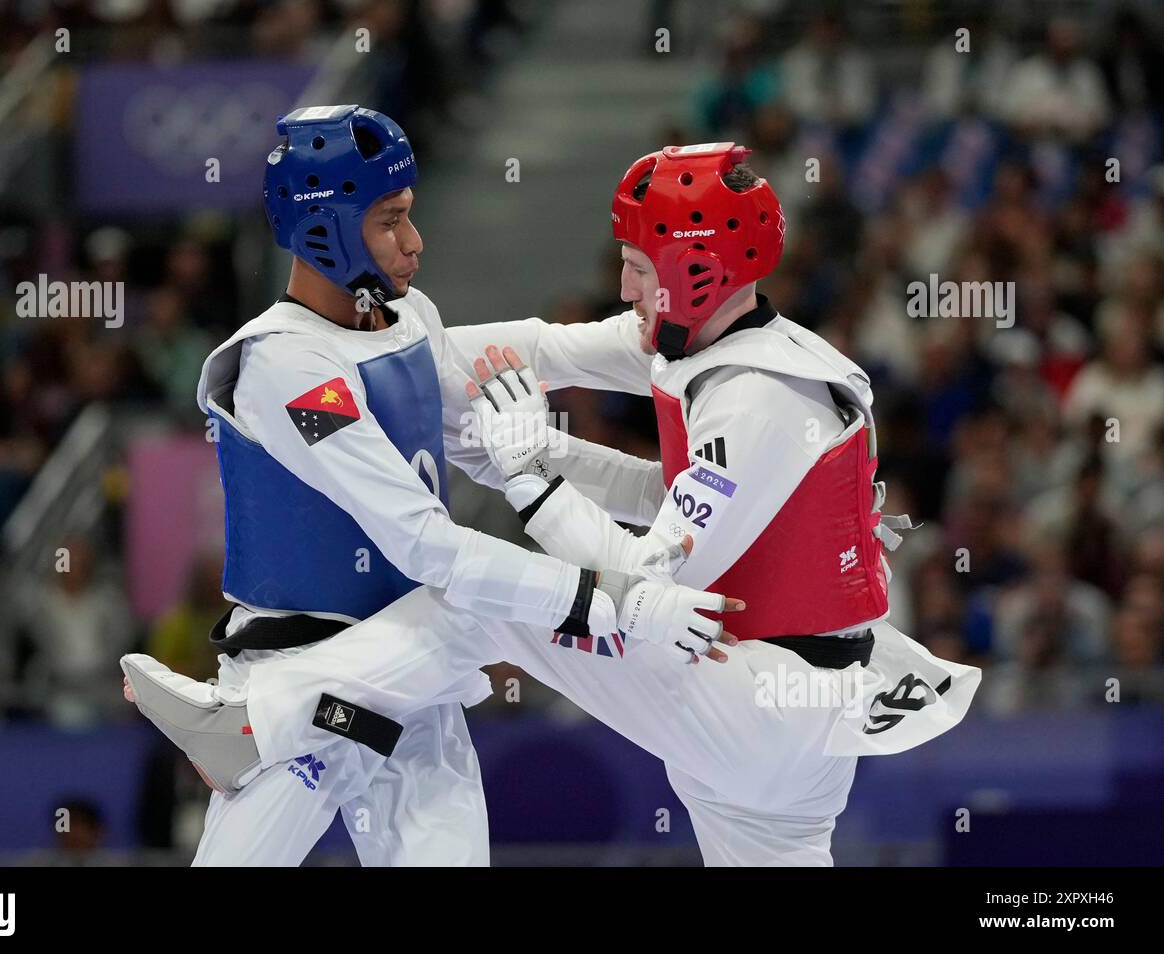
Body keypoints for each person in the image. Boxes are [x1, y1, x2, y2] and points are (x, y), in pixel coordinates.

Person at [127, 140, 982, 865]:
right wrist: (496, 431)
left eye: (638, 266)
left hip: (763, 700)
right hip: (791, 723)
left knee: (487, 599)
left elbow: (640, 577)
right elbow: (568, 385)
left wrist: (529, 477)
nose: (622, 283)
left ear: (694, 265)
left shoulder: (759, 398)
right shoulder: (719, 340)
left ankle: (256, 721)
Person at [122, 105, 728, 866]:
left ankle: (253, 721)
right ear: (327, 227)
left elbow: (496, 451)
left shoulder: (409, 319)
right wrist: (616, 600)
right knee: (478, 600)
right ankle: (255, 722)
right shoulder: (286, 366)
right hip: (310, 677)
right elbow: (423, 540)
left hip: (414, 675)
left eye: (409, 216)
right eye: (390, 220)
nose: (414, 242)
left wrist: (666, 490)